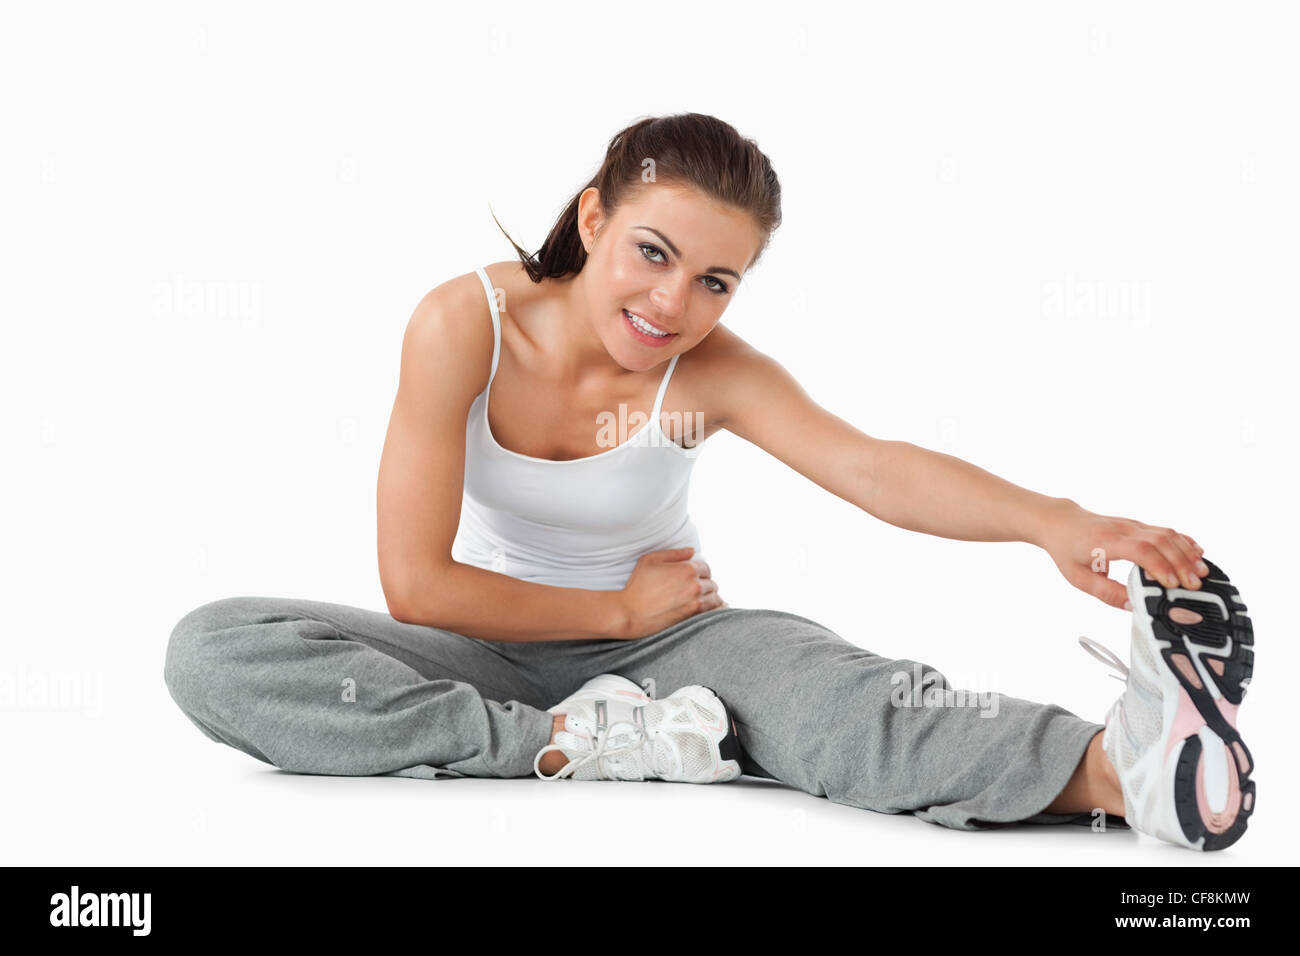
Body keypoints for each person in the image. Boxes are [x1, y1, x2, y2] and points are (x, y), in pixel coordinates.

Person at [163, 112, 1255, 851]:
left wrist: (1054, 522)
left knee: (842, 696)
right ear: (592, 220)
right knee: (217, 646)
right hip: (482, 653)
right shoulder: (464, 325)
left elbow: (872, 466)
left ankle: (1130, 770)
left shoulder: (716, 372)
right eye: (650, 250)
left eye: (714, 279)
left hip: (676, 650)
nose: (672, 301)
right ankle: (569, 744)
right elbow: (415, 583)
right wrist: (608, 608)